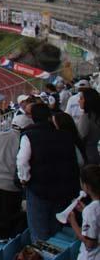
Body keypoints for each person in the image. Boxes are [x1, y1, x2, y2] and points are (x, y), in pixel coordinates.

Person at [17, 102, 81, 242]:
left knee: (39, 232)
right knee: (56, 230)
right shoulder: (65, 136)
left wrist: (24, 179)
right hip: (62, 188)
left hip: (38, 189)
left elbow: (22, 161)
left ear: (33, 118)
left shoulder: (28, 136)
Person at [69, 164, 100, 260]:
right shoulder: (90, 210)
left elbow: (89, 243)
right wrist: (84, 212)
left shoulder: (91, 210)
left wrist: (73, 223)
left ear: (86, 186)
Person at [77, 88, 100, 165]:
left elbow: (79, 138)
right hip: (95, 154)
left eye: (81, 98)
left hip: (86, 156)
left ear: (88, 100)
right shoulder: (96, 116)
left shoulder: (86, 118)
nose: (79, 101)